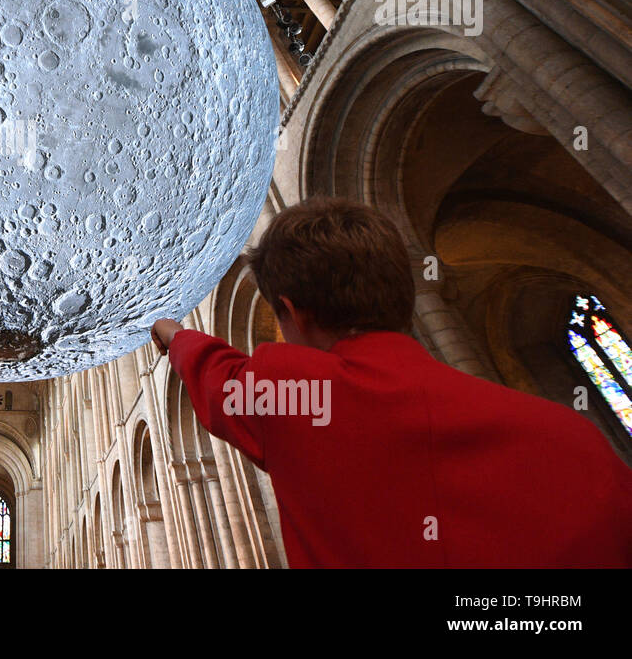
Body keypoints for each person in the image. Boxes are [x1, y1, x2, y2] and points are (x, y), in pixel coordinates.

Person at [151, 197, 632, 568]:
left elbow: (219, 378)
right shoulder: (575, 437)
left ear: (294, 313)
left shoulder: (300, 400)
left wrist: (174, 336)